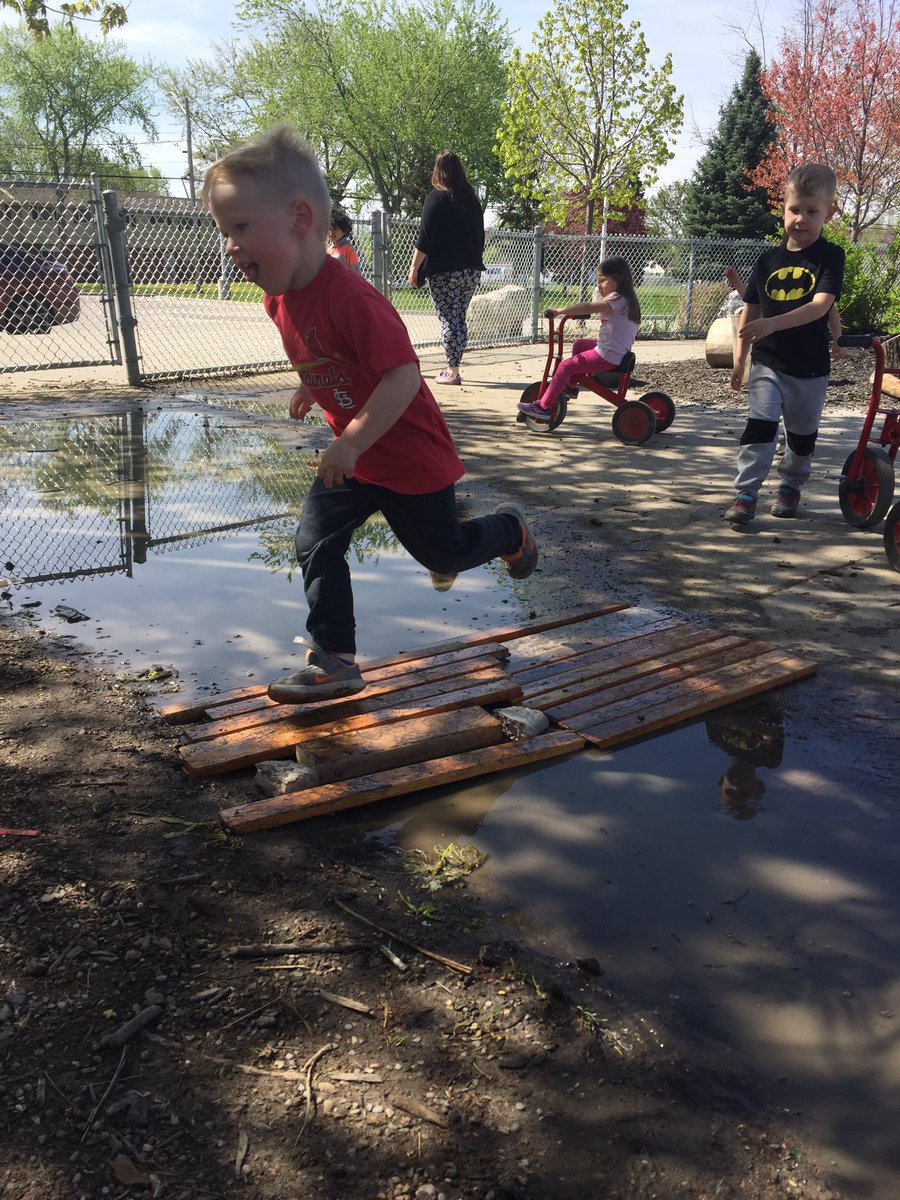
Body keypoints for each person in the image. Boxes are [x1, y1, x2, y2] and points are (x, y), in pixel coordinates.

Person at [203, 125, 538, 704]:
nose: (229, 245)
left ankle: (510, 529)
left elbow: (403, 376)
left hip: (405, 457)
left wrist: (352, 441)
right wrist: (313, 385)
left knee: (443, 552)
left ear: (300, 219)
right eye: (222, 231)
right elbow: (324, 353)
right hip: (353, 458)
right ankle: (335, 657)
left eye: (239, 228)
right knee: (315, 541)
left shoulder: (354, 298)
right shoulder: (277, 297)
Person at [726, 163, 845, 525]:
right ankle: (746, 492)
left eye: (812, 211)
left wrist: (835, 337)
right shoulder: (767, 261)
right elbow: (751, 313)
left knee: (801, 435)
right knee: (759, 428)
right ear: (783, 208)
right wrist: (739, 361)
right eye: (795, 209)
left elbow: (822, 305)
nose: (801, 219)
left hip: (809, 367)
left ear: (829, 212)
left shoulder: (829, 256)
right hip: (768, 362)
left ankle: (791, 486)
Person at [518, 257, 641, 421]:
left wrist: (560, 311)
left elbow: (587, 306)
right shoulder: (627, 300)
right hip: (616, 352)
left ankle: (542, 408)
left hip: (608, 355)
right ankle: (570, 386)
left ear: (619, 278)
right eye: (598, 281)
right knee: (580, 344)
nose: (599, 285)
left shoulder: (616, 299)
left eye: (603, 281)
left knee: (564, 366)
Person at [407, 150, 485, 386]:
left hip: (444, 271)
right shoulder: (471, 201)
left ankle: (452, 370)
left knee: (448, 319)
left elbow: (425, 238)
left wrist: (414, 268)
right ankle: (454, 365)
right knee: (458, 317)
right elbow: (480, 236)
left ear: (438, 172)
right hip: (470, 271)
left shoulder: (436, 199)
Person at [327, 206, 360, 272]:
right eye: (329, 229)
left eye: (335, 229)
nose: (331, 233)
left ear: (344, 230)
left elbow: (356, 275)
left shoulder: (348, 249)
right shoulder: (329, 249)